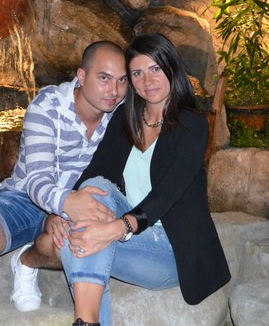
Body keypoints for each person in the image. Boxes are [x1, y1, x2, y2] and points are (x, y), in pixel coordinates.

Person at [0, 40, 129, 325]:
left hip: (72, 206)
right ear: (81, 76)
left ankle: (26, 260)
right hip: (24, 199)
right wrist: (65, 204)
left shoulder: (122, 112)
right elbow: (37, 181)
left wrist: (65, 211)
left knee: (79, 244)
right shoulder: (49, 105)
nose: (114, 90)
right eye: (104, 78)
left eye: (122, 80)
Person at [54, 33, 231, 326]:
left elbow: (168, 192)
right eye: (137, 73)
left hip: (170, 251)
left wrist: (117, 228)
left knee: (80, 238)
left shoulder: (192, 125)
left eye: (155, 69)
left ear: (171, 68)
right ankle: (87, 321)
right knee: (93, 191)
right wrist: (64, 211)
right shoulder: (125, 118)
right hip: (129, 235)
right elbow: (96, 171)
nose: (147, 80)